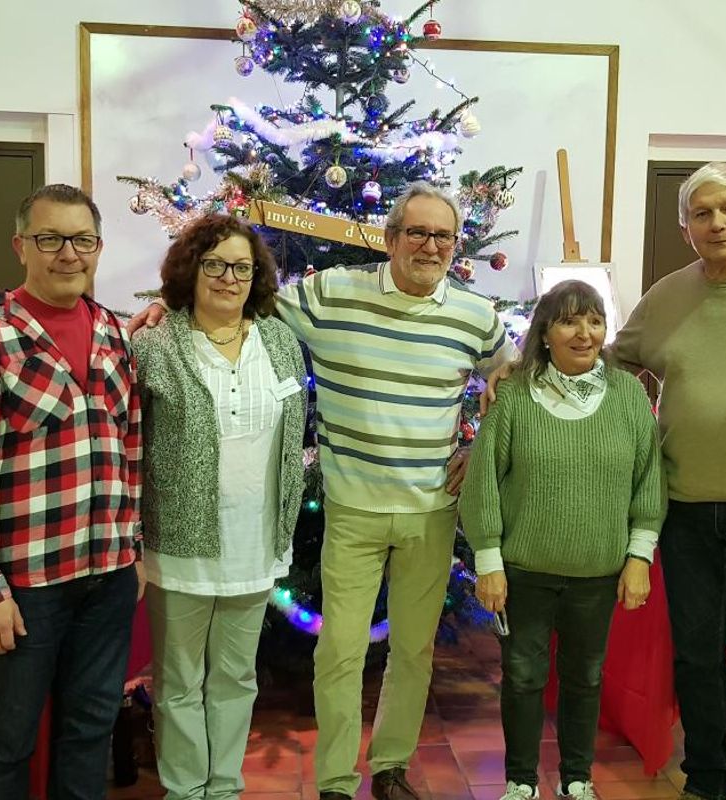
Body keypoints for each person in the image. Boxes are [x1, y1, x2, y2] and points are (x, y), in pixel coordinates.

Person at [130, 181, 518, 800]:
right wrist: (168, 313)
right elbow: (242, 302)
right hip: (353, 507)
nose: (429, 245)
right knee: (338, 653)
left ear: (455, 245)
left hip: (432, 510)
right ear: (390, 239)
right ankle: (336, 780)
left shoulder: (475, 316)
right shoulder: (332, 293)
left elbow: (514, 378)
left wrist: (481, 445)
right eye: (415, 232)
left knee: (413, 652)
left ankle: (390, 768)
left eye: (442, 235)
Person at [481, 161, 726, 800]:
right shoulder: (668, 296)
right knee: (698, 658)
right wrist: (517, 364)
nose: (717, 223)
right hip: (685, 510)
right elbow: (598, 356)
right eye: (702, 213)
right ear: (685, 228)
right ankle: (705, 777)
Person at [0, 183, 143, 799]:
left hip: (106, 577)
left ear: (98, 248)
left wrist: (135, 549)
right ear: (22, 245)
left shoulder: (113, 332)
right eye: (50, 239)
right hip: (24, 590)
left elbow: (132, 448)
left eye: (81, 240)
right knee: (8, 742)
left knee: (88, 733)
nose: (67, 254)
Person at [459, 280, 663, 800]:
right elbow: (483, 484)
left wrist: (638, 557)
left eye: (594, 321)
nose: (585, 332)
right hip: (523, 572)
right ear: (545, 332)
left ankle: (577, 777)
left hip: (597, 574)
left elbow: (648, 482)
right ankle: (521, 780)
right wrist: (488, 561)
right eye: (570, 320)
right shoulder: (514, 396)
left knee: (585, 679)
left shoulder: (628, 395)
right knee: (523, 677)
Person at [133, 215, 307, 800]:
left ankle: (224, 787)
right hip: (179, 544)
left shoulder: (279, 341)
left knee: (235, 677)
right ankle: (185, 790)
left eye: (241, 267)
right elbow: (131, 447)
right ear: (191, 270)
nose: (229, 278)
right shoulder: (154, 346)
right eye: (214, 265)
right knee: (180, 680)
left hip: (256, 543)